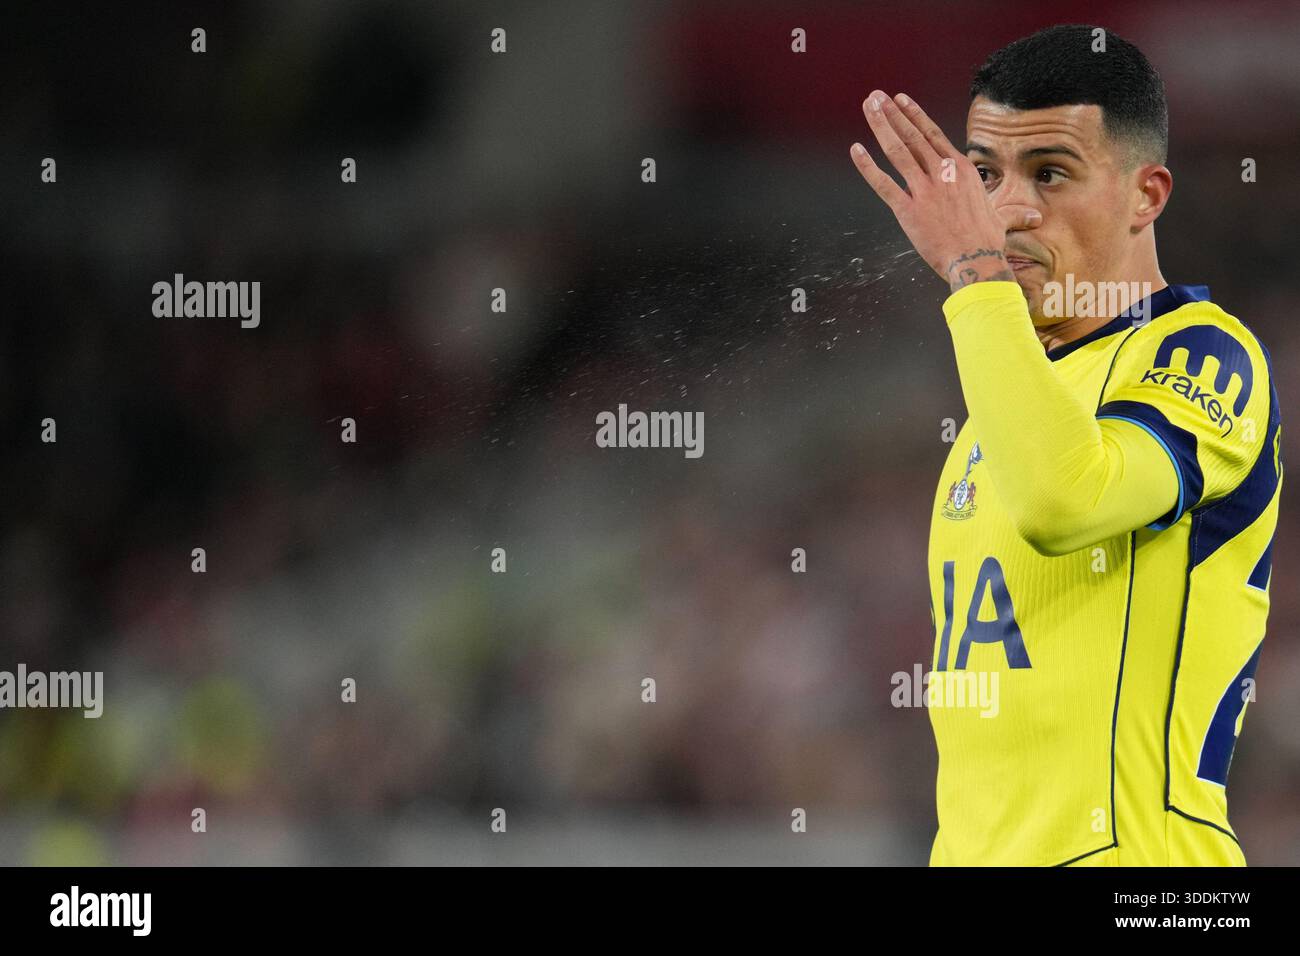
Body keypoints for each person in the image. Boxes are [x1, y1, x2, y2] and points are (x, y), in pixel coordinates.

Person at [850, 24, 1281, 866]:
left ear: (1146, 195)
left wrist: (976, 278)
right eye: (984, 175)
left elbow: (1065, 501)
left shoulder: (1200, 354)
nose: (1006, 210)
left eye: (1050, 173)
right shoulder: (1001, 409)